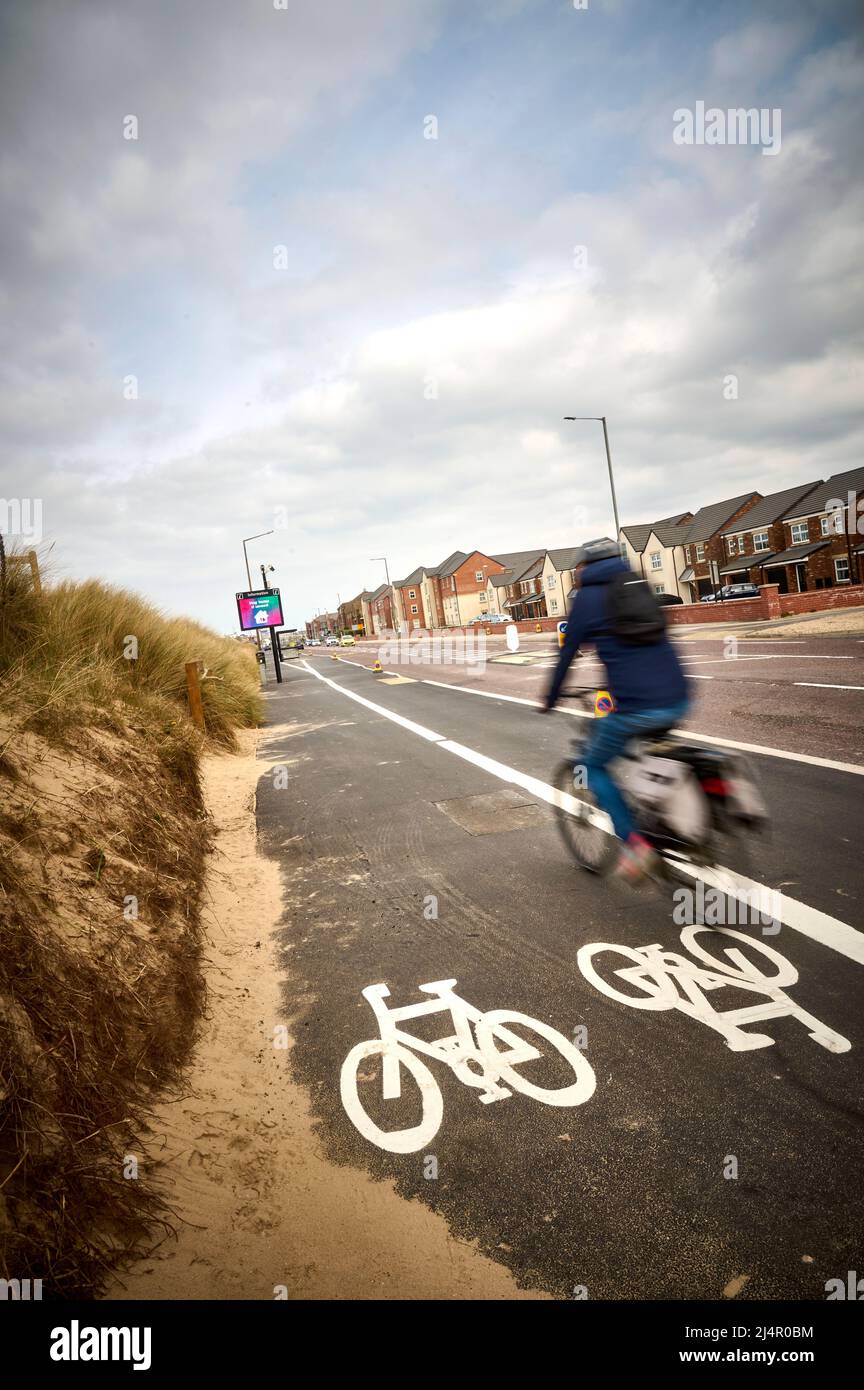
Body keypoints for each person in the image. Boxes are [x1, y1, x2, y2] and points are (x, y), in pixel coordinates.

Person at [542, 540, 690, 880]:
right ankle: (669, 819)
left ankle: (636, 847)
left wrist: (550, 698)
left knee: (593, 765)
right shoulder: (637, 585)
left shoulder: (588, 598)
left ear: (583, 569)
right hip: (679, 696)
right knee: (653, 751)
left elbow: (568, 655)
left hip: (636, 705)